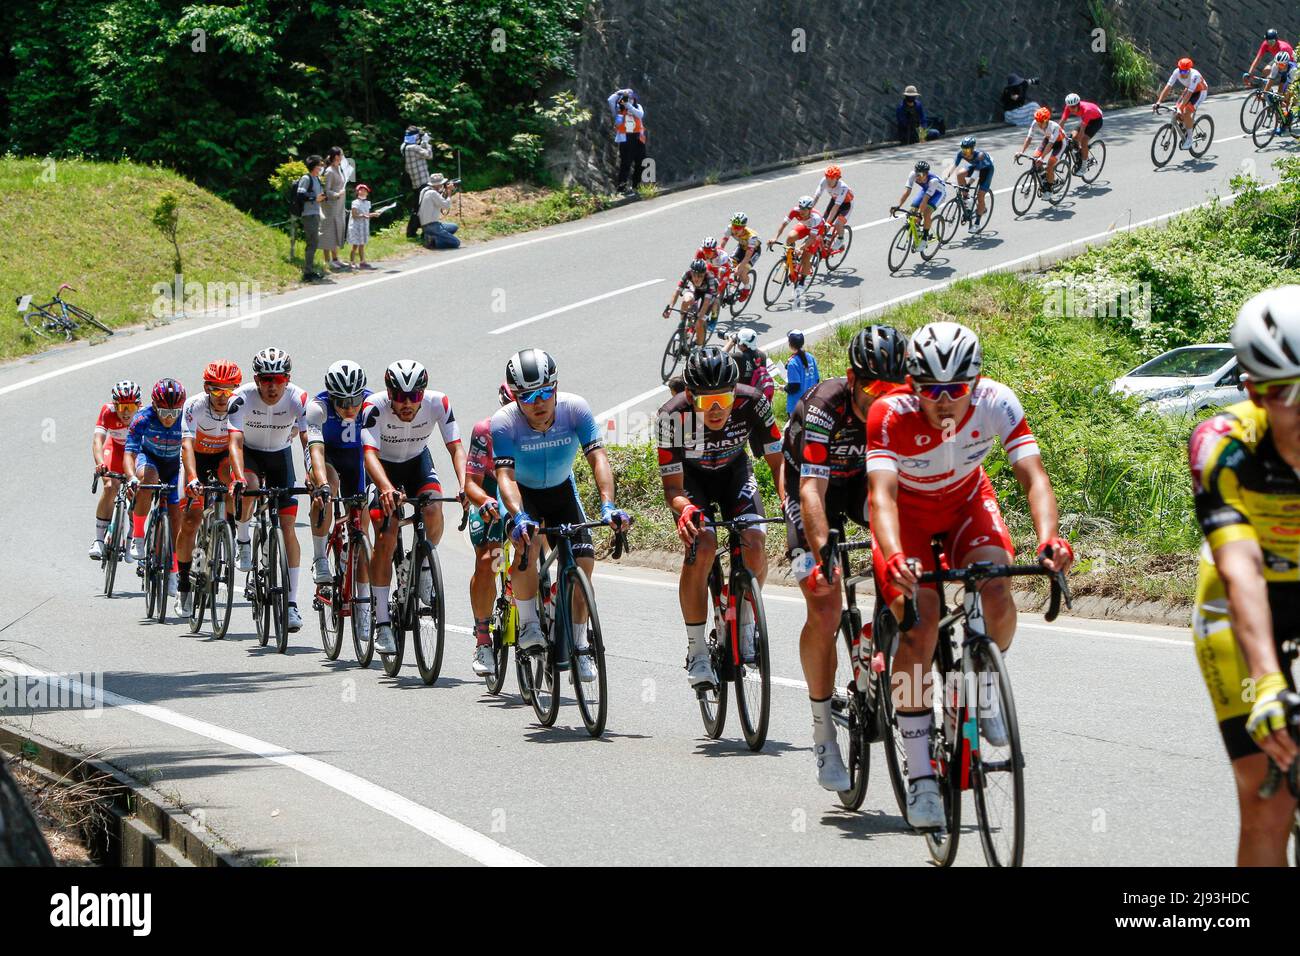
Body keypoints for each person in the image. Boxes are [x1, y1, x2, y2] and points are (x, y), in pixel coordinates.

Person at [868, 321, 1072, 829]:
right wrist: (893, 556)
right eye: (930, 390)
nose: (943, 401)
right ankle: (920, 776)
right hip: (907, 520)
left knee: (997, 585)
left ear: (975, 383)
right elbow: (882, 497)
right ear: (911, 383)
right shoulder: (888, 413)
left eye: (956, 389)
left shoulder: (998, 402)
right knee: (920, 627)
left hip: (965, 504)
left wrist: (1048, 538)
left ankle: (982, 684)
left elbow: (1034, 477)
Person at [1188, 286, 1300, 866]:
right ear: (1254, 390)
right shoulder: (1224, 446)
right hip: (1241, 607)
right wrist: (1267, 681)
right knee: (1269, 801)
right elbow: (1242, 569)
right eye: (1285, 392)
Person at [782, 326, 908, 790]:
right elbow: (811, 491)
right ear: (854, 379)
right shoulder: (824, 406)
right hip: (807, 492)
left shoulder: (897, 411)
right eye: (875, 388)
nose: (883, 400)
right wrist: (823, 552)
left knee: (898, 551)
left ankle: (875, 640)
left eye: (893, 390)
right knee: (825, 601)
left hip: (858, 485)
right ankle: (822, 733)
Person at [491, 349, 632, 679]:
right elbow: (505, 477)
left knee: (584, 564)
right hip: (522, 494)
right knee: (528, 543)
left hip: (561, 490)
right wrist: (519, 515)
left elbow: (598, 459)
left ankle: (581, 645)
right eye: (527, 396)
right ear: (514, 396)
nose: (538, 403)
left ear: (556, 388)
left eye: (545, 392)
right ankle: (527, 624)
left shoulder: (575, 409)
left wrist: (608, 505)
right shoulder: (504, 422)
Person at [657, 347, 784, 688]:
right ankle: (697, 650)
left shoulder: (753, 402)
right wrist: (685, 510)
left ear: (735, 391)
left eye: (723, 400)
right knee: (704, 545)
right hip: (691, 483)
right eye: (704, 402)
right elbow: (672, 489)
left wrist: (789, 501)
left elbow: (778, 462)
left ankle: (744, 623)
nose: (715, 410)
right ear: (688, 395)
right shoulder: (672, 416)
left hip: (734, 474)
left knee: (755, 543)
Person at [362, 360, 466, 656]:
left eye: (414, 396)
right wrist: (384, 488)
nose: (407, 403)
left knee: (433, 508)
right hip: (382, 468)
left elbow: (456, 447)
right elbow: (368, 455)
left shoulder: (439, 403)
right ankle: (382, 621)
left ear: (423, 393)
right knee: (387, 534)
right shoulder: (373, 406)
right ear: (389, 392)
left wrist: (463, 484)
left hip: (418, 463)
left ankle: (421, 564)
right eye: (400, 396)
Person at [228, 347, 310, 633]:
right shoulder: (240, 398)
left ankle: (290, 604)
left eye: (278, 379)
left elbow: (308, 440)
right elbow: (235, 443)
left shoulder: (298, 398)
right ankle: (242, 540)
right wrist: (237, 475)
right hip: (249, 454)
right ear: (256, 379)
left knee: (288, 527)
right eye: (265, 379)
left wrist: (312, 473)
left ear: (287, 379)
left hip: (280, 456)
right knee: (249, 486)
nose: (272, 385)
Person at [305, 360, 375, 639]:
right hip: (328, 457)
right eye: (342, 402)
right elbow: (316, 451)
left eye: (354, 400)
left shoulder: (373, 404)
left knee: (363, 530)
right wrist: (321, 484)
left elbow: (378, 449)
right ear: (331, 397)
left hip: (358, 458)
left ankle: (364, 604)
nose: (349, 408)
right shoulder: (317, 408)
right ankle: (321, 556)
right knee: (328, 486)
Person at [174, 360, 242, 618]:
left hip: (224, 456)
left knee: (231, 480)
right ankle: (182, 586)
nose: (223, 397)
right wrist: (192, 478)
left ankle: (231, 530)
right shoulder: (194, 406)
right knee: (190, 521)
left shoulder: (239, 405)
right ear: (206, 389)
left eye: (228, 391)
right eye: (217, 391)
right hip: (198, 459)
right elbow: (187, 446)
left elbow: (241, 444)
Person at [464, 383, 516, 678]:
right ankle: (483, 638)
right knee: (490, 562)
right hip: (490, 492)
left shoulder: (544, 423)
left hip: (525, 489)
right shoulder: (485, 430)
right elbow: (471, 482)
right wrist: (483, 501)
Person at [124, 378, 187, 600]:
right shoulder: (142, 417)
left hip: (173, 465)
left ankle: (173, 572)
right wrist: (131, 477)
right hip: (148, 459)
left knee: (177, 518)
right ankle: (138, 537)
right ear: (154, 406)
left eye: (174, 413)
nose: (169, 418)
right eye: (164, 412)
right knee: (149, 479)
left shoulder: (186, 418)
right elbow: (129, 452)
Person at [90, 381, 142, 560]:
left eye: (129, 406)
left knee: (136, 493)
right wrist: (99, 463)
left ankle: (131, 538)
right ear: (114, 404)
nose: (125, 412)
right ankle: (98, 540)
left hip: (135, 453)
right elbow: (98, 440)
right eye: (121, 406)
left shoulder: (143, 415)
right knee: (110, 486)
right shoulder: (108, 411)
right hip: (115, 449)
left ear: (138, 405)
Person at [768, 195, 827, 304]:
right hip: (805, 226)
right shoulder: (795, 211)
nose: (801, 211)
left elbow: (811, 238)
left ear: (810, 209)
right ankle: (792, 260)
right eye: (801, 208)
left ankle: (801, 284)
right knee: (790, 237)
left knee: (805, 257)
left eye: (804, 209)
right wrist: (775, 237)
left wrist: (800, 248)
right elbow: (783, 225)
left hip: (816, 231)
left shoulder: (816, 218)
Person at [1154, 57, 1210, 151]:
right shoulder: (1176, 72)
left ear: (1189, 70)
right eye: (1181, 71)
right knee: (1177, 110)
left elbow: (1189, 95)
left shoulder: (1194, 75)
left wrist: (1181, 108)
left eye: (1184, 72)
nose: (1182, 74)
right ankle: (1186, 126)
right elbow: (1168, 87)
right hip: (1189, 89)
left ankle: (1189, 139)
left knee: (1186, 111)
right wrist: (1158, 102)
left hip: (1200, 92)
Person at [893, 160, 946, 254]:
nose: (918, 177)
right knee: (912, 211)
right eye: (917, 174)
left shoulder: (933, 181)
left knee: (926, 213)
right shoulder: (912, 174)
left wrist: (919, 214)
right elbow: (907, 192)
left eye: (920, 175)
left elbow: (925, 200)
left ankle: (924, 238)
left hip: (938, 193)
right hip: (926, 190)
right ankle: (918, 232)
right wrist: (898, 205)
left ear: (926, 174)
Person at [663, 259, 719, 347]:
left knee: (699, 322)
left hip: (709, 293)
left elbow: (707, 301)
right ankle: (682, 325)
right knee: (686, 300)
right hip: (696, 290)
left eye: (700, 276)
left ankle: (699, 348)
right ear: (691, 272)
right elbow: (677, 291)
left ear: (704, 274)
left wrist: (700, 316)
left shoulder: (710, 278)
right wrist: (670, 308)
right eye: (694, 275)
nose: (696, 278)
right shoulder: (687, 274)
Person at [944, 135, 994, 224]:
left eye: (967, 150)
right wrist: (946, 178)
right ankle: (967, 199)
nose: (964, 152)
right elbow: (954, 165)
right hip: (975, 167)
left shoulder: (980, 155)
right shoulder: (961, 153)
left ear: (972, 149)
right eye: (963, 149)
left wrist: (968, 185)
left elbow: (976, 173)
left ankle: (977, 222)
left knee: (980, 196)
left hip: (986, 169)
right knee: (959, 174)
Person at [1016, 107, 1067, 192]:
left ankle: (1050, 188)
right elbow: (1029, 138)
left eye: (1040, 122)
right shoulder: (1035, 122)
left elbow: (1050, 145)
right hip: (1048, 139)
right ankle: (1045, 178)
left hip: (1059, 143)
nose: (1038, 124)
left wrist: (1042, 157)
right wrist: (1021, 152)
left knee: (1049, 165)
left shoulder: (1054, 127)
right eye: (1037, 121)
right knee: (1035, 158)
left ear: (1046, 121)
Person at [608, 88, 647, 193]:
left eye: (631, 98)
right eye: (627, 98)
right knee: (626, 164)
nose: (629, 100)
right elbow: (610, 100)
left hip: (639, 138)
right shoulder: (618, 110)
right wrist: (620, 92)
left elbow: (640, 115)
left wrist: (628, 105)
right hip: (626, 139)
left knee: (641, 163)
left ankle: (636, 186)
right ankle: (621, 188)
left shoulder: (638, 107)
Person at [295, 155, 325, 281]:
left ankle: (310, 270)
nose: (321, 167)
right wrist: (314, 198)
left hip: (316, 213)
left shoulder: (316, 179)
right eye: (319, 165)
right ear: (314, 166)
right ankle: (307, 273)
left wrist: (323, 197)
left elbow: (318, 195)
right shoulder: (306, 178)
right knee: (312, 242)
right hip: (308, 214)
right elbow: (300, 195)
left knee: (314, 242)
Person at [401, 125, 434, 238]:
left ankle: (412, 232)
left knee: (418, 207)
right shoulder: (414, 148)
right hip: (423, 182)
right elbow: (429, 155)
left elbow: (422, 153)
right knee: (424, 208)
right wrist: (426, 142)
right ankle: (420, 231)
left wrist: (423, 141)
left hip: (416, 182)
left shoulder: (404, 147)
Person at [725, 327, 775, 401]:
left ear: (741, 342)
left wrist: (731, 342)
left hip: (740, 398)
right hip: (756, 396)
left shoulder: (738, 357)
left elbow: (721, 356)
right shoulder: (762, 356)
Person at [811, 165, 854, 248]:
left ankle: (840, 239)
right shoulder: (824, 181)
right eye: (827, 177)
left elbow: (836, 207)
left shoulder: (843, 187)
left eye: (831, 178)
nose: (829, 181)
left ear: (837, 178)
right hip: (835, 200)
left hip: (846, 205)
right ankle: (824, 244)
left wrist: (828, 223)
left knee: (837, 224)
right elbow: (816, 197)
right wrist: (809, 210)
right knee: (822, 223)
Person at [718, 212, 762, 294]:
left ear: (744, 227)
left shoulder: (752, 237)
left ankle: (747, 288)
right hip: (741, 247)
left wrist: (741, 266)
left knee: (742, 273)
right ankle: (728, 286)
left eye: (738, 227)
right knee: (726, 266)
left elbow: (748, 255)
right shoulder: (730, 228)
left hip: (753, 252)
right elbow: (722, 245)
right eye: (734, 226)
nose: (735, 229)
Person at [320, 147, 348, 271]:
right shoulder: (330, 171)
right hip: (330, 207)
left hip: (338, 207)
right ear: (336, 156)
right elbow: (327, 190)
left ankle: (335, 259)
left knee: (336, 231)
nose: (342, 157)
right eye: (341, 155)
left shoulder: (338, 168)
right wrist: (337, 194)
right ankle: (327, 261)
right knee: (328, 232)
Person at [1059, 94, 1104, 167]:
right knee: (1073, 136)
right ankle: (1079, 154)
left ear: (1078, 105)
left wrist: (1079, 143)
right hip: (1086, 119)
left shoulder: (1087, 110)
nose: (1071, 109)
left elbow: (1082, 129)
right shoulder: (1068, 107)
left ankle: (1084, 165)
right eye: (1070, 107)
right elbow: (1062, 122)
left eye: (1073, 107)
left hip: (1096, 120)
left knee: (1083, 141)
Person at [419, 173, 461, 250]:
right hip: (432, 225)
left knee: (454, 226)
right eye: (442, 183)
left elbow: (438, 200)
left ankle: (429, 235)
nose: (443, 185)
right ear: (438, 184)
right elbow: (446, 205)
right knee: (456, 243)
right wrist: (449, 194)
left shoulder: (425, 190)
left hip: (426, 225)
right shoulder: (433, 193)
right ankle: (433, 241)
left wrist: (444, 191)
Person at [783, 329, 820, 415]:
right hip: (811, 404)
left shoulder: (793, 363)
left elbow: (794, 387)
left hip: (796, 406)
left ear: (790, 344)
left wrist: (784, 388)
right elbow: (817, 380)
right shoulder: (811, 357)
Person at [347, 184, 379, 270]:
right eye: (361, 190)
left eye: (365, 190)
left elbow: (367, 214)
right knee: (355, 245)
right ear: (357, 192)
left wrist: (373, 214)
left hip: (364, 226)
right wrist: (370, 215)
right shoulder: (355, 202)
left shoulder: (368, 203)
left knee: (362, 245)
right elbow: (354, 215)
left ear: (367, 193)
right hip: (356, 227)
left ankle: (362, 262)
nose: (363, 191)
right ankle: (352, 262)